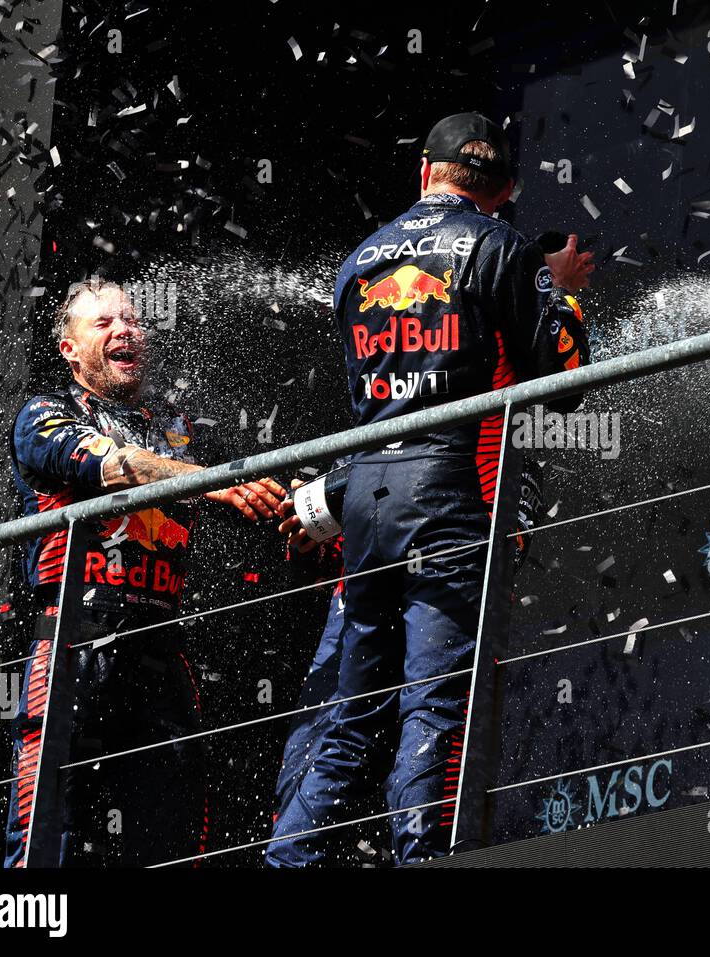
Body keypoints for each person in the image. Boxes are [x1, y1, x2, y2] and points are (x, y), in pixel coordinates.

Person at [266, 112, 593, 866]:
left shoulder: (360, 259)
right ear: (503, 190)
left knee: (352, 717)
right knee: (439, 704)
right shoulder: (499, 245)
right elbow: (565, 381)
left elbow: (386, 397)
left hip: (368, 500)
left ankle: (286, 861)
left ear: (425, 172)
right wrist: (559, 292)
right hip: (451, 495)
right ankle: (423, 857)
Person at [4, 277, 287, 866]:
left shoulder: (175, 429)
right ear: (70, 349)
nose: (124, 330)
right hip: (74, 644)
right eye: (104, 323)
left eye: (132, 320)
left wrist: (313, 511)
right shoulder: (44, 413)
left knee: (175, 830)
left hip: (161, 648)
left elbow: (248, 481)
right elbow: (114, 466)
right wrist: (217, 482)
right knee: (49, 830)